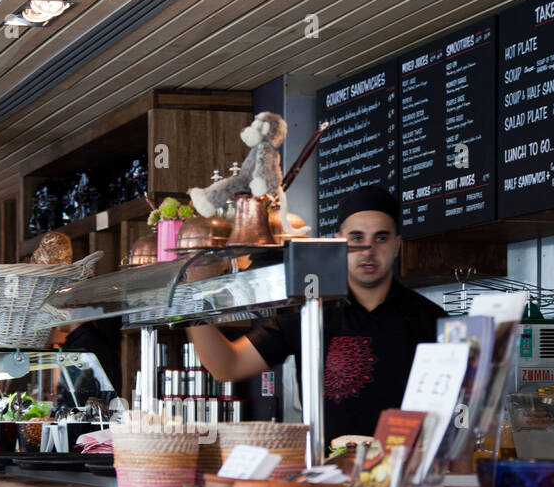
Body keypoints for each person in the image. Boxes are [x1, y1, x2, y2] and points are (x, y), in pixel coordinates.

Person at [187, 185, 444, 441]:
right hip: (328, 473)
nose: (368, 250)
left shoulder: (431, 319)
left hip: (404, 474)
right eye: (356, 238)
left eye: (381, 238)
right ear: (337, 243)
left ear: (397, 244)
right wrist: (193, 299)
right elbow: (227, 365)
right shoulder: (309, 311)